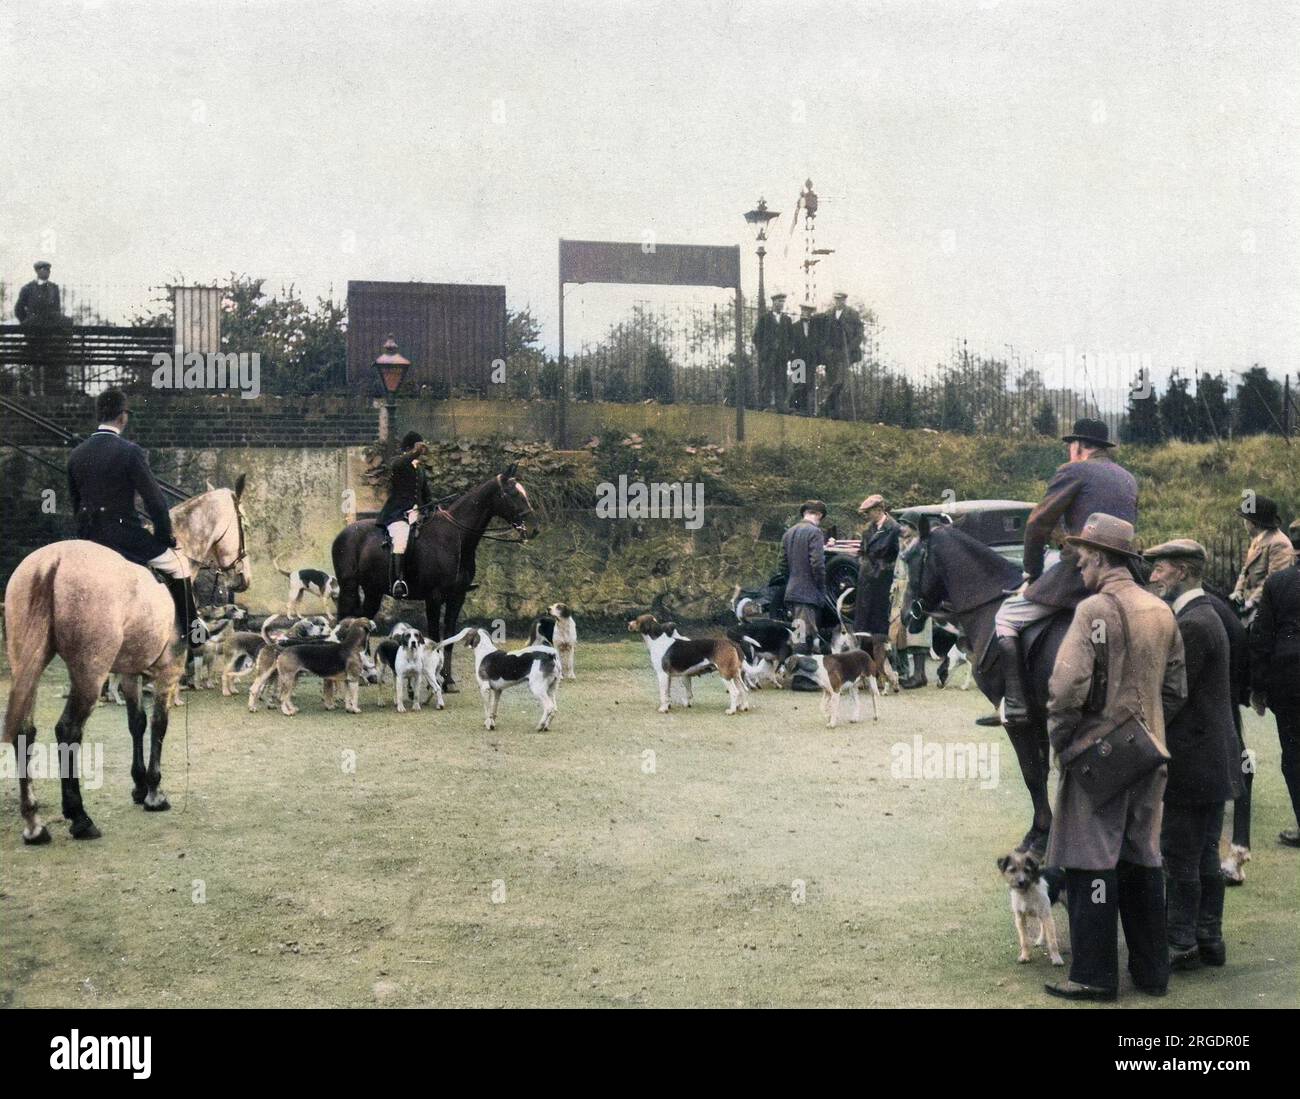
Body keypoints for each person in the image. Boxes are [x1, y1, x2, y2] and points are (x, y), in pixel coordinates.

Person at [1043, 513, 1186, 1002]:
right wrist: (1146, 731)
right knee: (1144, 857)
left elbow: (1065, 689)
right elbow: (1175, 688)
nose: (1077, 563)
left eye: (1082, 555)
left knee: (1090, 863)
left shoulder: (1093, 611)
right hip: (1150, 754)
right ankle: (1152, 974)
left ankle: (1094, 976)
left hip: (1099, 758)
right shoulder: (1162, 609)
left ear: (1101, 557)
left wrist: (1064, 741)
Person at [995, 417, 1138, 730]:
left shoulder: (1073, 470)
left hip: (1081, 572)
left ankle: (1017, 701)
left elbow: (1037, 524)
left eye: (1070, 445)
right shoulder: (1128, 478)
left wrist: (1031, 574)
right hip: (1126, 570)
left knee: (1006, 617)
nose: (1068, 450)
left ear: (1079, 446)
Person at [1145, 539, 1243, 970]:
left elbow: (1173, 695)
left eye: (1160, 569)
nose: (1153, 576)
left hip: (1192, 759)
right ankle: (1208, 939)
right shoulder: (1208, 615)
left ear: (1181, 572)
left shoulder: (1191, 623)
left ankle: (1181, 943)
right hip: (1213, 757)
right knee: (1203, 853)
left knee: (1180, 853)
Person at [66, 388, 198, 647]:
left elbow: (75, 505)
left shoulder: (76, 454)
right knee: (180, 564)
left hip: (90, 539)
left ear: (98, 416)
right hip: (124, 537)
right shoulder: (129, 451)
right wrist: (164, 537)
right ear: (122, 417)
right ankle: (193, 637)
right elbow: (156, 503)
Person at [1249, 560, 1300, 849]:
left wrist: (1258, 686)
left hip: (1290, 677)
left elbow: (1262, 635)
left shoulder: (1278, 582)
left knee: (1294, 752)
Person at [376, 431, 434, 598]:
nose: (420, 453)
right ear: (409, 448)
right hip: (398, 513)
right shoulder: (398, 463)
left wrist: (433, 508)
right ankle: (398, 582)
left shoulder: (420, 468)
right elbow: (400, 463)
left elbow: (426, 493)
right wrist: (415, 452)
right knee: (401, 539)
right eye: (416, 448)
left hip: (418, 513)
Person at [1230, 495, 1294, 625]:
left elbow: (1273, 580)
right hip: (1250, 611)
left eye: (1245, 519)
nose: (1244, 523)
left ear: (1253, 523)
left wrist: (1251, 602)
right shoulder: (1258, 539)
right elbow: (1245, 572)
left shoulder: (1279, 543)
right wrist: (1237, 592)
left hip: (1266, 613)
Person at [780, 500, 828, 652]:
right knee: (802, 637)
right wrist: (821, 586)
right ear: (819, 515)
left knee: (800, 633)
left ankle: (800, 668)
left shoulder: (789, 533)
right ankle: (799, 671)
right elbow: (817, 564)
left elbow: (782, 564)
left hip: (793, 592)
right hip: (807, 594)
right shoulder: (815, 532)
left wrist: (791, 581)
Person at [889, 514, 931, 688]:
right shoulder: (901, 544)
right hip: (899, 590)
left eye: (906, 525)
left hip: (917, 590)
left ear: (914, 528)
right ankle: (903, 670)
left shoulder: (920, 545)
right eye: (901, 524)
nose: (902, 527)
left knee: (918, 632)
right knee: (898, 631)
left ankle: (919, 674)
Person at [853, 494, 900, 644]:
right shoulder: (869, 529)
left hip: (882, 583)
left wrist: (883, 568)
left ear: (879, 509)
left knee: (879, 623)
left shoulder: (894, 528)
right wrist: (863, 564)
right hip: (866, 580)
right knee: (863, 622)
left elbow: (901, 557)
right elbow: (862, 551)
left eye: (869, 512)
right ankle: (863, 653)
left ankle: (881, 657)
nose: (866, 515)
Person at [818, 291, 862, 419]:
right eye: (836, 300)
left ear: (845, 301)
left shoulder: (852, 314)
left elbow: (859, 334)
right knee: (831, 381)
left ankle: (826, 402)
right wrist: (825, 349)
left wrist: (850, 348)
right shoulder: (828, 314)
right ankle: (834, 413)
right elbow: (822, 333)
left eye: (841, 300)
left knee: (840, 381)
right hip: (831, 353)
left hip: (845, 352)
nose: (838, 302)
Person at [752, 292, 792, 412]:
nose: (781, 304)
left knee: (781, 379)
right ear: (774, 302)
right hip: (769, 355)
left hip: (782, 356)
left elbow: (791, 338)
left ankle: (781, 405)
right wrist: (763, 351)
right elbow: (756, 337)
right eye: (779, 301)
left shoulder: (787, 320)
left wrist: (788, 351)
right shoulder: (765, 319)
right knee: (767, 379)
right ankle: (766, 404)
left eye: (783, 302)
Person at [787, 304, 821, 415]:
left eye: (808, 311)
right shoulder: (794, 326)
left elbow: (816, 344)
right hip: (798, 360)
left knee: (809, 384)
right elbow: (790, 344)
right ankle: (795, 408)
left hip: (810, 361)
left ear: (811, 313)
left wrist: (816, 359)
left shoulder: (815, 328)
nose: (805, 313)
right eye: (803, 310)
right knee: (799, 384)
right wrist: (792, 358)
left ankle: (806, 410)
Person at [14, 260, 63, 325]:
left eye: (48, 269)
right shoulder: (28, 288)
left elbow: (57, 309)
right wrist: (26, 322)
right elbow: (19, 309)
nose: (48, 271)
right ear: (37, 271)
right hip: (32, 328)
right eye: (44, 269)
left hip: (49, 329)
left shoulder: (54, 288)